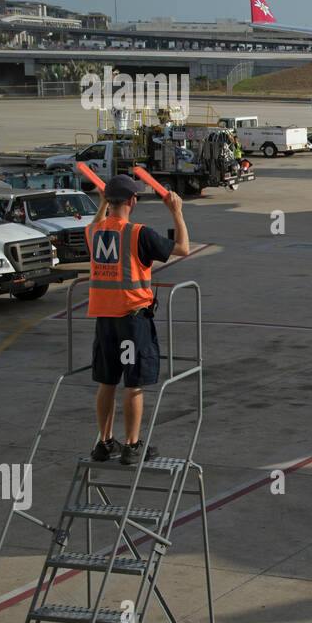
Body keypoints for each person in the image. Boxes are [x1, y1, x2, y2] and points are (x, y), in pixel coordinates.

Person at [86, 173, 191, 466]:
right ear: (133, 201)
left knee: (107, 382)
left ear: (108, 201)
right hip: (132, 321)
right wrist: (177, 212)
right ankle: (132, 445)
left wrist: (102, 203)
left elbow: (97, 222)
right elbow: (183, 249)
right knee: (133, 385)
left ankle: (105, 442)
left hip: (104, 321)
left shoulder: (93, 232)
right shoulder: (138, 233)